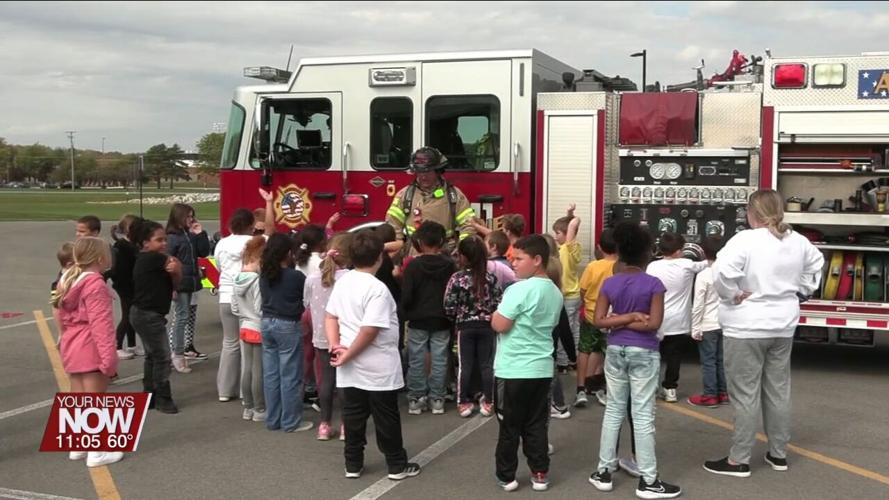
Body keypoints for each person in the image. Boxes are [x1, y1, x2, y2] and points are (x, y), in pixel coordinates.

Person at [704, 189, 823, 477]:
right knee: (778, 391)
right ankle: (778, 454)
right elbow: (817, 265)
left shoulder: (745, 240)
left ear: (751, 212)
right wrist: (801, 291)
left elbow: (720, 274)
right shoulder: (798, 241)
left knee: (745, 394)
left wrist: (732, 295)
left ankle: (739, 459)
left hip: (746, 327)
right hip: (783, 326)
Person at [588, 221, 681, 499]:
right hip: (645, 352)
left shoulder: (610, 282)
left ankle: (603, 471)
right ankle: (649, 480)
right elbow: (654, 324)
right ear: (646, 255)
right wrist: (633, 318)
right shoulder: (654, 284)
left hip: (616, 350)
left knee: (613, 410)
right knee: (642, 416)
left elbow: (599, 320)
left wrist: (620, 321)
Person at [325, 230, 421, 481]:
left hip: (349, 365)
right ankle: (396, 464)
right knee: (386, 417)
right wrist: (347, 354)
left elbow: (330, 316)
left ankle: (353, 464)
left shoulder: (343, 281)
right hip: (377, 365)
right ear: (380, 257)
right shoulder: (378, 289)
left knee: (353, 416)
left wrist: (336, 346)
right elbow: (370, 330)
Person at [491, 234, 563, 492]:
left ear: (537, 260)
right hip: (542, 368)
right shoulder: (555, 291)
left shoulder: (518, 289)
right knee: (536, 424)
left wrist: (494, 315)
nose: (513, 263)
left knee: (509, 425)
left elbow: (500, 324)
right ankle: (539, 472)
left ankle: (506, 475)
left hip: (513, 368)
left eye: (519, 259)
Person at [53, 236, 123, 468]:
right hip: (89, 344)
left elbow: (59, 315)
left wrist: (64, 339)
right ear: (101, 258)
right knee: (96, 400)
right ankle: (97, 451)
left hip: (72, 343)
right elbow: (101, 326)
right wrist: (109, 359)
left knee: (78, 396)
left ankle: (78, 444)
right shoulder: (95, 285)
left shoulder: (67, 280)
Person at [443, 236, 503, 418]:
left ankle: (463, 402)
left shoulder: (457, 279)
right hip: (486, 325)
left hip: (465, 326)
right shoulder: (490, 278)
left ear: (463, 256)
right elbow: (499, 302)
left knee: (465, 365)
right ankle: (488, 401)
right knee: (487, 364)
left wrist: (456, 316)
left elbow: (448, 305)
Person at [400, 221, 456, 415]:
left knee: (416, 358)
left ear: (420, 242)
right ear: (441, 242)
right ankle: (437, 399)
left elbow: (406, 295)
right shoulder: (450, 266)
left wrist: (405, 313)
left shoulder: (413, 266)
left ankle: (416, 398)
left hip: (418, 319)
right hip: (442, 319)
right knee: (440, 358)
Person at [646, 232, 708, 403]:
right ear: (679, 251)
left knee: (653, 354)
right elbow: (708, 263)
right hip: (679, 321)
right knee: (674, 356)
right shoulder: (687, 265)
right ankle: (670, 388)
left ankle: (651, 387)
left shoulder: (652, 267)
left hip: (657, 319)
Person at [260, 233, 313, 433]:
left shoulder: (265, 273)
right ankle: (290, 420)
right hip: (288, 323)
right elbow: (306, 300)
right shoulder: (296, 276)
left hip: (266, 322)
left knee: (271, 374)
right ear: (288, 253)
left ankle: (273, 418)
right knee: (290, 374)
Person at [129, 218, 182, 414]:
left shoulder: (147, 258)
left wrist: (175, 272)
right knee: (162, 356)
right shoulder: (154, 258)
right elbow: (176, 267)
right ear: (145, 243)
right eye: (159, 240)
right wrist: (177, 269)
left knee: (152, 355)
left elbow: (175, 280)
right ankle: (163, 397)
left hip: (144, 313)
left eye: (165, 239)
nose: (164, 244)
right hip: (148, 315)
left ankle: (148, 394)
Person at [384, 146, 476, 257]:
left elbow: (469, 225)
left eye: (428, 171)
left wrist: (462, 248)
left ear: (438, 171)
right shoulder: (405, 195)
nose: (423, 176)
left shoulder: (454, 195)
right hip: (414, 254)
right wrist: (397, 250)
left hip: (444, 254)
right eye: (419, 171)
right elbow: (393, 225)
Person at [304, 232, 352, 440]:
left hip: (321, 335)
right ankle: (345, 426)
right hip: (345, 336)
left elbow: (306, 303)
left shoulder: (313, 278)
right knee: (345, 381)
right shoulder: (349, 278)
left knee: (326, 380)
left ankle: (324, 424)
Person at [214, 208, 256, 402]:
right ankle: (243, 390)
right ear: (250, 225)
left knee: (229, 343)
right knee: (246, 344)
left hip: (225, 294)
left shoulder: (222, 243)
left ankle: (224, 389)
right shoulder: (251, 242)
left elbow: (219, 267)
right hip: (245, 296)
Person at [165, 203, 210, 372]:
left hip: (191, 280)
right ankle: (177, 353)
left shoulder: (189, 235)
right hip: (180, 282)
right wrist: (173, 286)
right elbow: (169, 261)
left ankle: (181, 351)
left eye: (192, 216)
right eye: (188, 217)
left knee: (187, 315)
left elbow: (203, 252)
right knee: (181, 317)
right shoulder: (172, 237)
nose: (190, 220)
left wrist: (200, 234)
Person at [575, 229, 617, 408]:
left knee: (585, 350)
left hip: (591, 315)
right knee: (607, 353)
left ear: (599, 247)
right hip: (611, 318)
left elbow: (583, 290)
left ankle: (581, 389)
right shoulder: (620, 267)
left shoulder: (593, 266)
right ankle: (605, 389)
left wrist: (584, 305)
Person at [687, 236, 728, 408]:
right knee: (721, 359)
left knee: (708, 361)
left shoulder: (703, 275)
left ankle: (710, 395)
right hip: (725, 323)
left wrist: (695, 328)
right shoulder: (727, 272)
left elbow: (698, 305)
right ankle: (723, 392)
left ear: (703, 253)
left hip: (708, 324)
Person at [232, 235, 267, 423]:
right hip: (258, 327)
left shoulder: (237, 279)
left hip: (244, 326)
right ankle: (260, 407)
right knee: (258, 370)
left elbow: (234, 308)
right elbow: (260, 308)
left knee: (247, 369)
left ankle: (248, 406)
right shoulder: (256, 281)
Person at [542, 234, 575, 420]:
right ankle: (558, 404)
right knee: (550, 371)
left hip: (544, 347)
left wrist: (572, 355)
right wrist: (572, 356)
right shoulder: (558, 297)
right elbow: (565, 330)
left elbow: (564, 328)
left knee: (550, 374)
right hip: (551, 345)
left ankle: (559, 405)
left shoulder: (545, 298)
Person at [552, 204, 582, 371]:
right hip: (575, 295)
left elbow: (571, 227)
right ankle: (574, 358)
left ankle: (563, 362)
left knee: (565, 330)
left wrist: (574, 218)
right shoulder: (573, 248)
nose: (555, 237)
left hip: (567, 295)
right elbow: (570, 227)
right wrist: (569, 213)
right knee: (575, 328)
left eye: (558, 233)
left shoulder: (567, 248)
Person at [110, 214, 140, 360]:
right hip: (125, 286)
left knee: (131, 315)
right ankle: (117, 346)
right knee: (127, 316)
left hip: (132, 285)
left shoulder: (132, 245)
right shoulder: (122, 247)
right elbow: (119, 271)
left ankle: (132, 345)